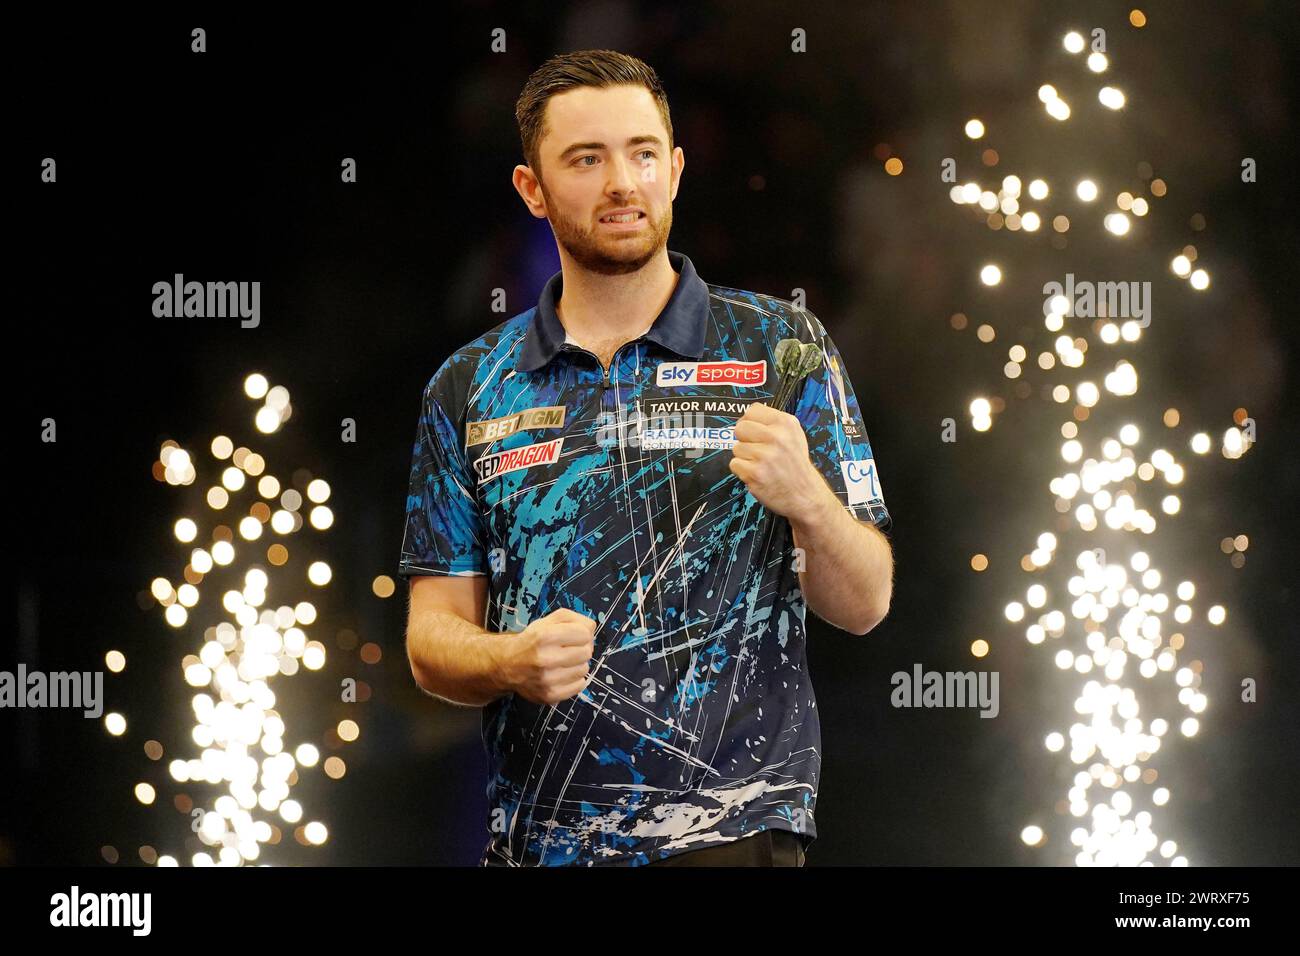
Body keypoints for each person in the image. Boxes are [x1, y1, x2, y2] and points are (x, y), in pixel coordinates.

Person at [397, 49, 894, 867]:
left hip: (734, 834)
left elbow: (866, 600)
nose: (622, 181)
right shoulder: (468, 387)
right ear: (532, 189)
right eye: (586, 160)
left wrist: (808, 500)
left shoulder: (784, 349)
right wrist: (509, 660)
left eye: (642, 152)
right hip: (539, 844)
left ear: (677, 168)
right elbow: (431, 642)